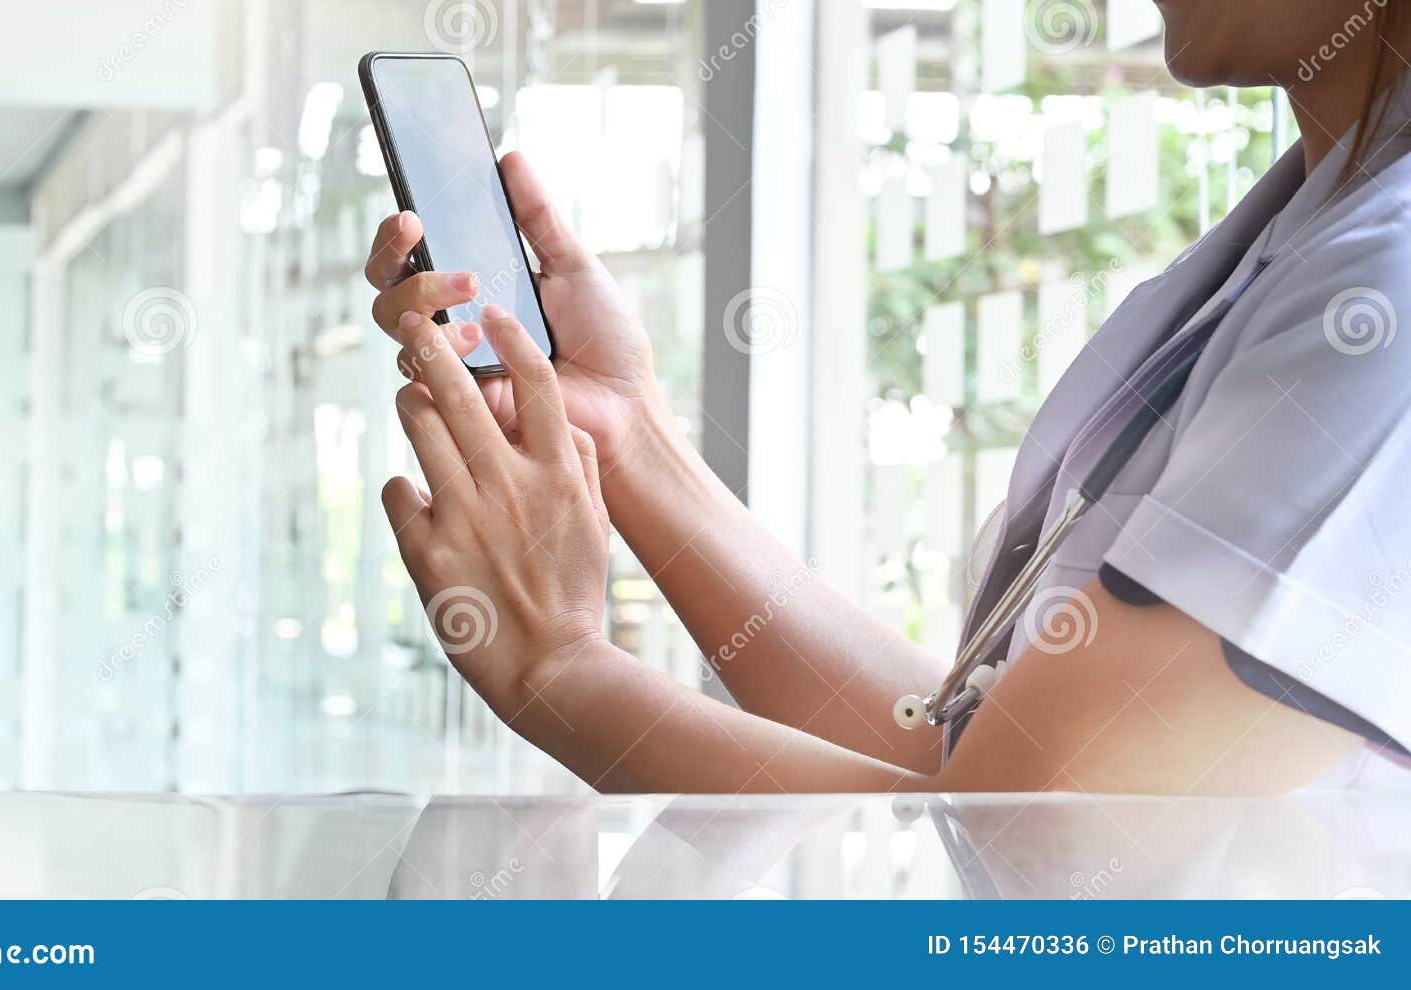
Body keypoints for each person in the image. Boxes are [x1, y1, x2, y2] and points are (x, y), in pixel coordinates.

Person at [363, 1, 1411, 794]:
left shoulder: (1389, 290)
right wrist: (626, 432)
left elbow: (1021, 874)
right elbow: (960, 758)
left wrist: (560, 670)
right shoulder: (1310, 240)